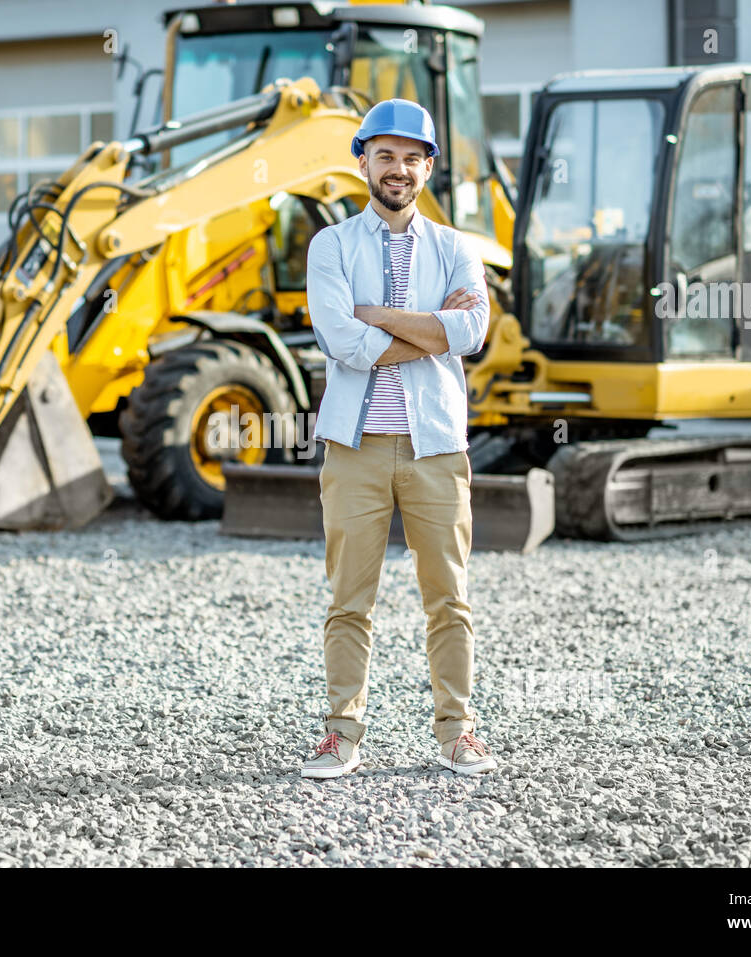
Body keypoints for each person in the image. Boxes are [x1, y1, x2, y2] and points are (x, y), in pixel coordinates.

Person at [300, 98, 496, 779]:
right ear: (362, 161)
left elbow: (471, 334)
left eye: (413, 157)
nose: (399, 168)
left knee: (449, 596)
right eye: (386, 155)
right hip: (354, 449)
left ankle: (457, 731)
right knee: (349, 599)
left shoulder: (455, 248)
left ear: (429, 168)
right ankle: (342, 733)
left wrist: (380, 315)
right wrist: (430, 328)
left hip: (435, 446)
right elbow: (341, 342)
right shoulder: (331, 246)